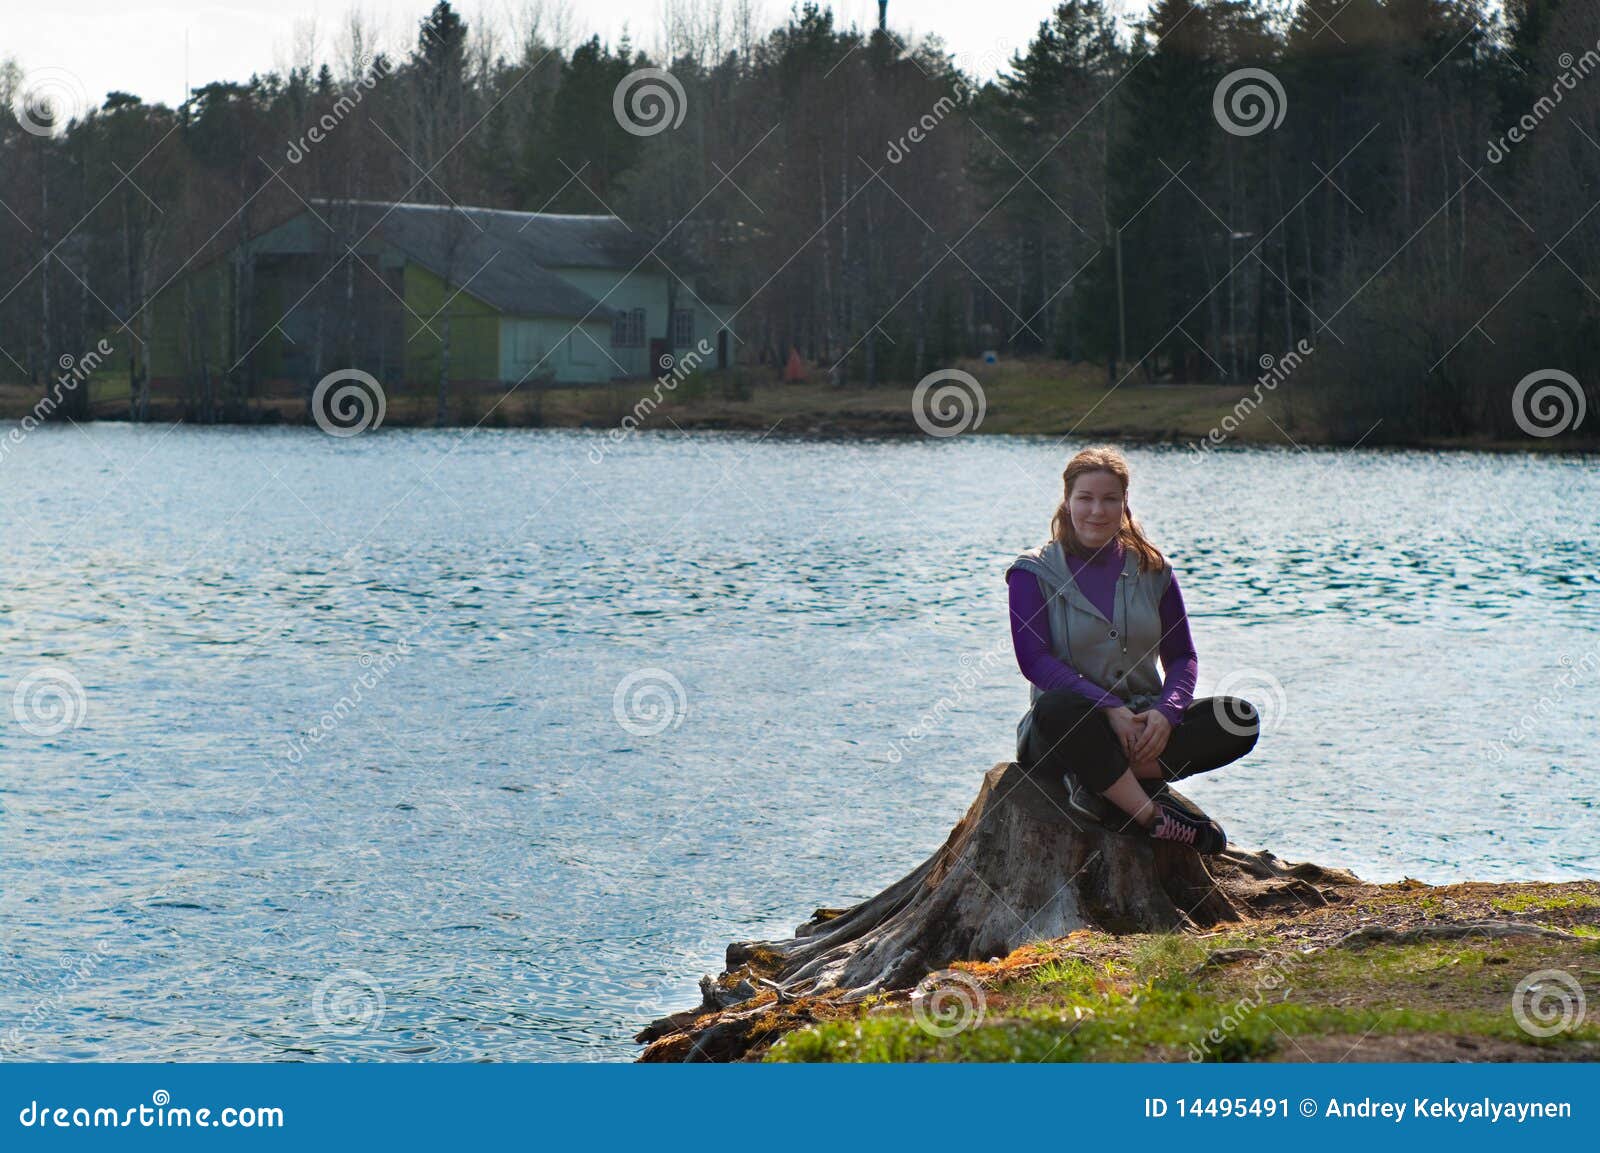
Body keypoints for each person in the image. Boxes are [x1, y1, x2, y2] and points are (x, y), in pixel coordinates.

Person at [1005, 445, 1260, 853]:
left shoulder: (1154, 570)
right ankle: (1152, 817)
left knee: (1238, 719)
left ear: (1125, 503)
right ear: (1067, 501)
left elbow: (1182, 657)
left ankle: (1097, 782)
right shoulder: (1031, 572)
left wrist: (1166, 712)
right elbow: (1034, 661)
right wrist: (1108, 707)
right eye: (1085, 498)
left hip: (1143, 727)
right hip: (1064, 732)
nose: (1097, 511)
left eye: (1110, 499)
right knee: (1057, 707)